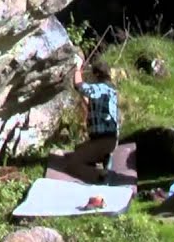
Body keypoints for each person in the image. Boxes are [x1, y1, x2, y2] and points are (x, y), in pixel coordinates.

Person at [47, 55, 120, 184]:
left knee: (71, 166)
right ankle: (104, 158)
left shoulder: (99, 88)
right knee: (79, 149)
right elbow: (94, 106)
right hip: (111, 140)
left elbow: (79, 85)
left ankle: (100, 176)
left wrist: (77, 69)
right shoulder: (110, 90)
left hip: (101, 140)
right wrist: (83, 97)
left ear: (96, 75)